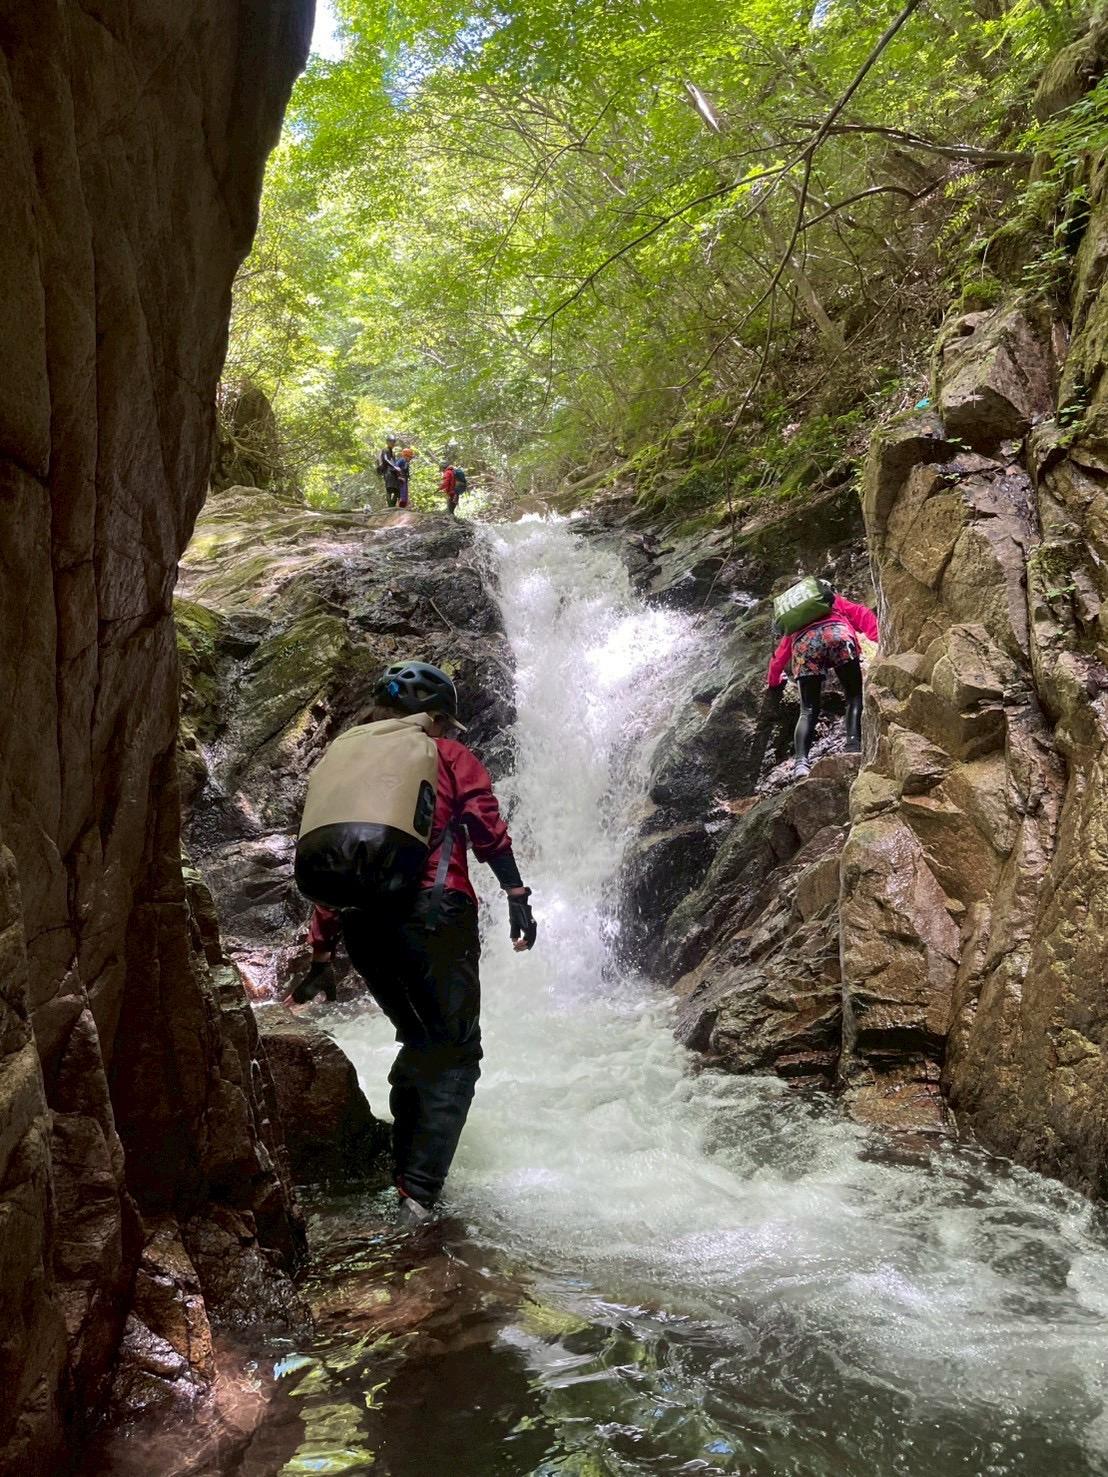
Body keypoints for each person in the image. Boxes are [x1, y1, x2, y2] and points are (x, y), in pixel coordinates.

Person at [288, 661, 537, 1226]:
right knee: (454, 1054)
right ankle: (418, 1199)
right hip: (433, 915)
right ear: (440, 718)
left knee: (421, 1041)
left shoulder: (349, 761)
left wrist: (321, 956)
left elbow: (337, 867)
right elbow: (484, 825)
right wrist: (516, 892)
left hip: (362, 925)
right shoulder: (448, 755)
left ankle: (404, 1174)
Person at [766, 580, 878, 779]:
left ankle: (801, 763)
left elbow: (780, 655)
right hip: (837, 634)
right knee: (853, 696)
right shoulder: (832, 601)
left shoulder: (795, 622)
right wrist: (879, 638)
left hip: (805, 645)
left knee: (808, 709)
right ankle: (853, 746)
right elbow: (862, 614)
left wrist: (774, 680)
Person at [376, 434, 404, 508]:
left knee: (396, 490)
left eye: (394, 442)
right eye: (391, 441)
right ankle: (390, 507)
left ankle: (392, 506)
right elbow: (386, 459)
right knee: (389, 489)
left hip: (393, 472)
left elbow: (394, 462)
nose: (393, 443)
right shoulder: (385, 450)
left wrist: (398, 472)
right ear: (387, 442)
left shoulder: (392, 452)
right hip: (388, 471)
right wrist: (394, 466)